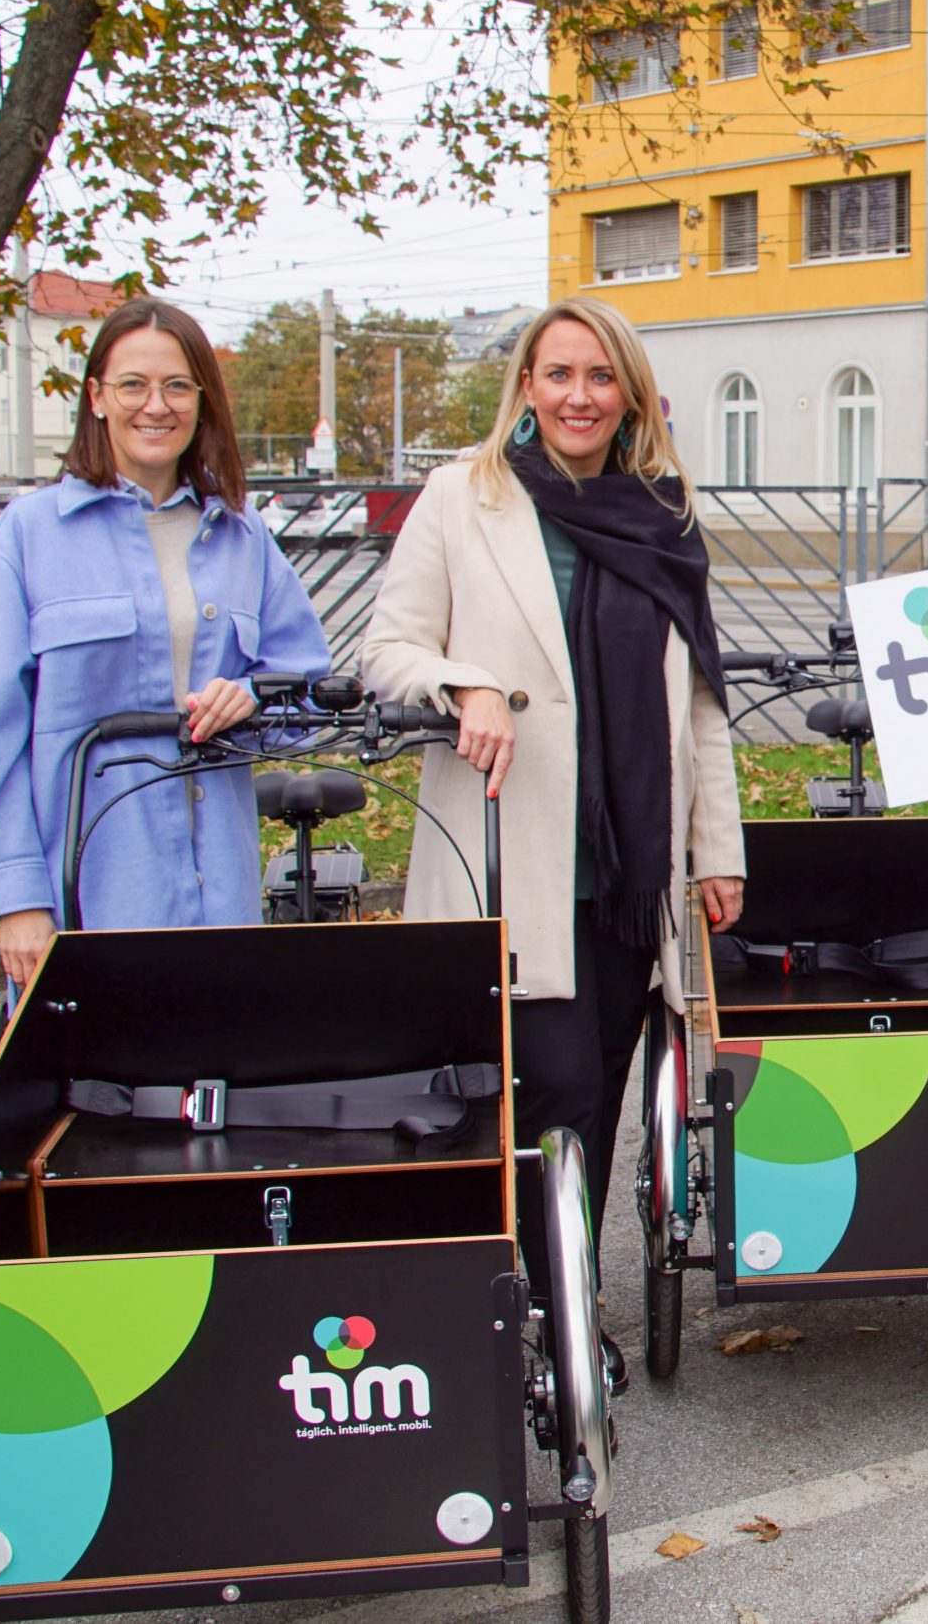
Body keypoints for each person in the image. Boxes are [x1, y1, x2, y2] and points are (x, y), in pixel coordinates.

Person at [360, 295, 744, 1390]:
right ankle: (535, 1312)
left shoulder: (663, 514)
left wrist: (717, 852)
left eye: (599, 377)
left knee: (592, 1099)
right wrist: (461, 680)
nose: (579, 396)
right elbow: (387, 647)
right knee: (534, 1097)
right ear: (525, 387)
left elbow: (702, 702)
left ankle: (562, 1308)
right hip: (506, 855)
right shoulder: (460, 497)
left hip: (626, 873)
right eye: (558, 374)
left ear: (626, 395)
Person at [0, 298, 331, 984]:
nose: (156, 405)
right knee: (96, 1088)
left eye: (178, 386)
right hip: (87, 899)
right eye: (133, 385)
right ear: (96, 397)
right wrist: (18, 901)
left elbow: (307, 690)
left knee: (218, 1076)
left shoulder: (244, 539)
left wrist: (248, 699)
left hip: (222, 900)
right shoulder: (24, 540)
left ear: (202, 402)